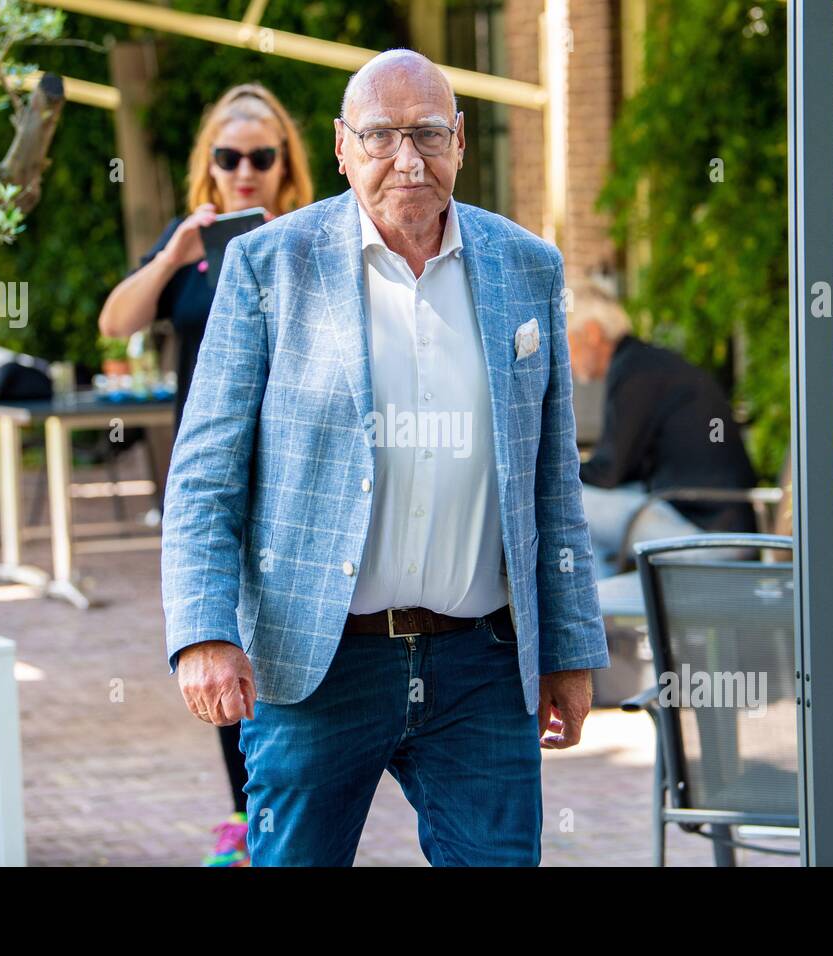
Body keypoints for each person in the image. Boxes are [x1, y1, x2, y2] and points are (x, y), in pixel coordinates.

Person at [161, 49, 609, 866]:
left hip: (483, 663)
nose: (409, 159)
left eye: (430, 134)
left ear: (462, 142)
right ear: (341, 147)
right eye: (381, 136)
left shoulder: (527, 268)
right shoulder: (268, 267)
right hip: (318, 664)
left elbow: (552, 483)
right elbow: (204, 472)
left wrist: (572, 650)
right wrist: (203, 632)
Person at [99, 83, 313, 867]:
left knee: (275, 650)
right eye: (229, 157)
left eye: (261, 156)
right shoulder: (189, 243)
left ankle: (277, 812)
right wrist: (171, 256)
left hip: (288, 476)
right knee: (215, 642)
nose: (245, 170)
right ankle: (245, 817)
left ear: (285, 158)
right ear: (210, 164)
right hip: (209, 482)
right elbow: (116, 322)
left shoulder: (309, 234)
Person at [573, 304, 758, 577]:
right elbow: (625, 471)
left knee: (571, 499)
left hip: (708, 538)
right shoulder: (650, 364)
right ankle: (601, 599)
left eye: (565, 339)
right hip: (722, 524)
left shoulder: (635, 372)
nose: (564, 354)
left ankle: (595, 605)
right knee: (592, 515)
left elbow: (607, 474)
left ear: (592, 333)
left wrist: (554, 469)